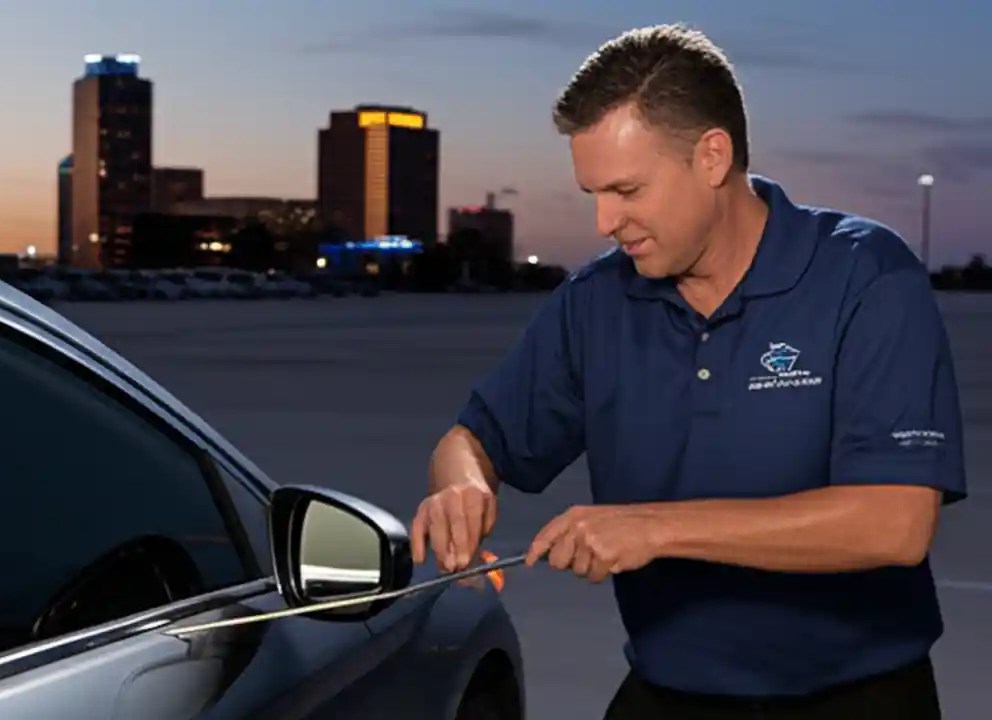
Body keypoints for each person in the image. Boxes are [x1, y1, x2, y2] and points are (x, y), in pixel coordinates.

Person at [410, 22, 966, 720]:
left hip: (859, 697)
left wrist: (655, 528)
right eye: (594, 195)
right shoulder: (596, 302)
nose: (605, 222)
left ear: (711, 156)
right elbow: (473, 438)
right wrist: (459, 485)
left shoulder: (867, 277)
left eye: (627, 190)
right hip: (669, 690)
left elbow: (894, 524)